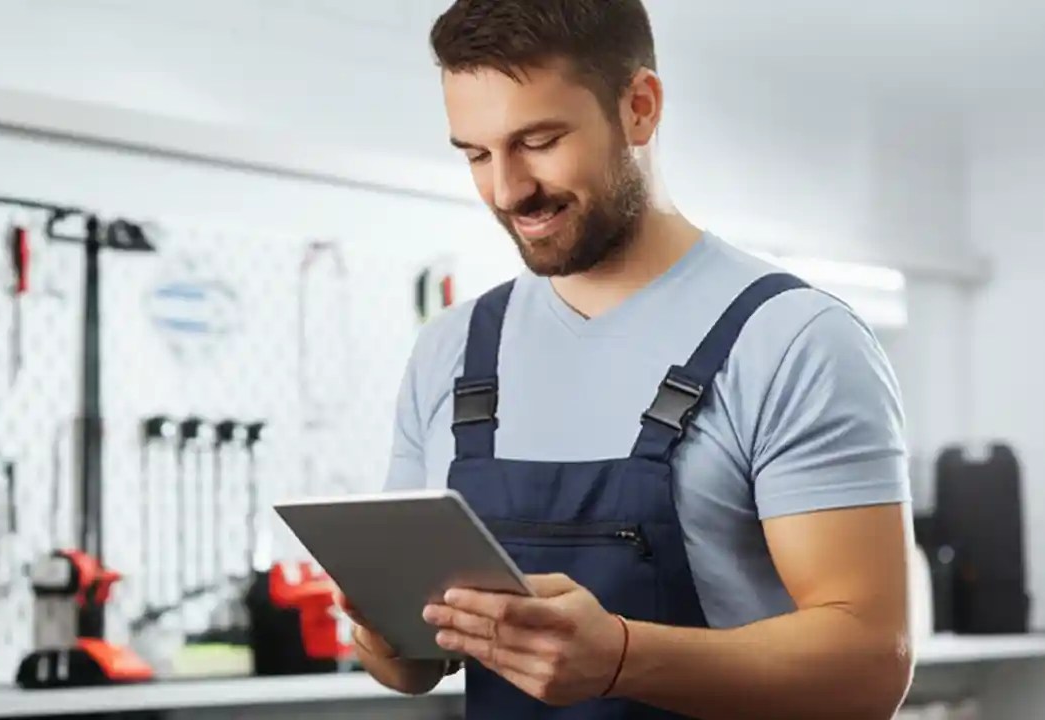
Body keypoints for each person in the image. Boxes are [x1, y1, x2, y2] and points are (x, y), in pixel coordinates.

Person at [335, 1, 915, 717]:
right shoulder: (450, 351)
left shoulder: (794, 340)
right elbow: (415, 662)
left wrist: (618, 658)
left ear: (639, 107)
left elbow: (869, 667)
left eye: (539, 140)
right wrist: (388, 640)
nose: (507, 189)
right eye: (477, 155)